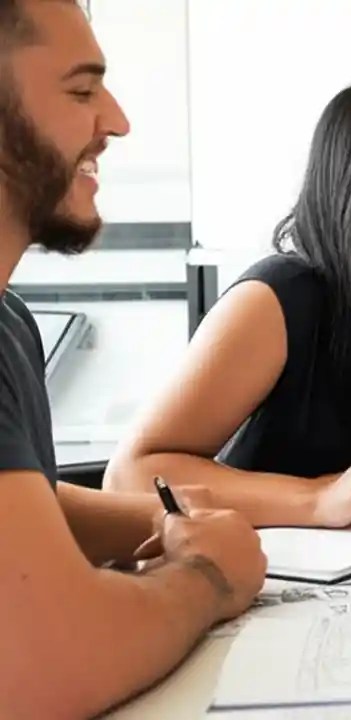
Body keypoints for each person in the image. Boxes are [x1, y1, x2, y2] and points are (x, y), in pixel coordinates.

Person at [0, 2, 266, 716]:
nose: (117, 121)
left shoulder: (8, 320)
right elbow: (55, 662)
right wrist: (210, 574)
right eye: (82, 91)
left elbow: (21, 505)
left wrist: (155, 520)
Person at [104, 82, 351, 529]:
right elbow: (130, 476)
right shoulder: (273, 301)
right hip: (263, 565)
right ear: (341, 201)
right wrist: (318, 498)